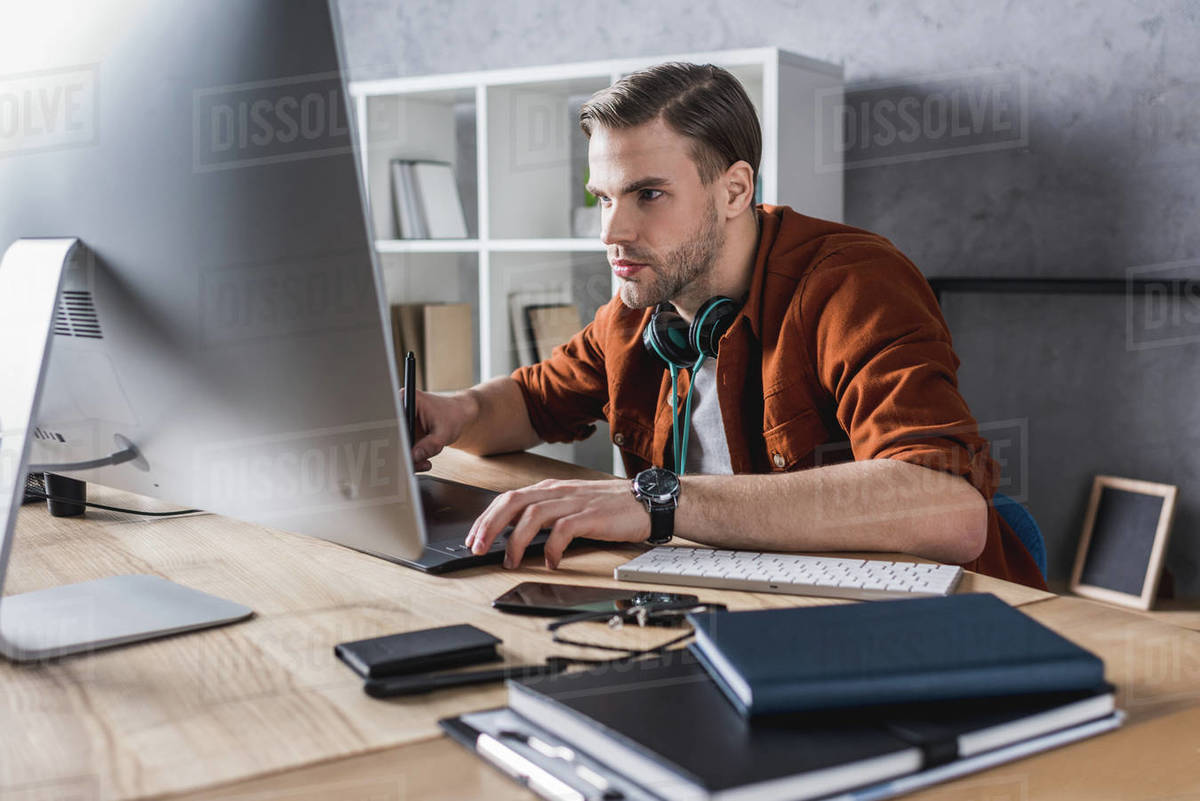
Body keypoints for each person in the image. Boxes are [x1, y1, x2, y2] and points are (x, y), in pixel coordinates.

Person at [407, 62, 1046, 589]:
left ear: (735, 191)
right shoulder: (640, 304)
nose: (612, 232)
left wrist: (659, 502)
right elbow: (531, 401)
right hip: (738, 601)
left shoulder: (854, 283)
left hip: (918, 622)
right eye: (604, 198)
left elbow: (949, 508)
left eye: (648, 195)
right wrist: (454, 411)